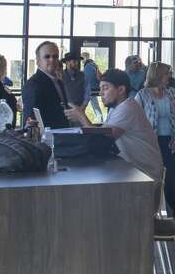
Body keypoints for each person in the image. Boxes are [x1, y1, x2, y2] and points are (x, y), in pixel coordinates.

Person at [65, 68, 163, 213]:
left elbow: (101, 140)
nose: (100, 93)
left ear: (121, 89)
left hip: (144, 180)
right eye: (100, 88)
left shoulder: (128, 108)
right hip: (134, 176)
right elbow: (100, 136)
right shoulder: (116, 109)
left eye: (105, 88)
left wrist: (81, 116)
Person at [135, 61, 175, 218]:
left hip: (171, 143)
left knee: (173, 182)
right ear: (157, 75)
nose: (169, 76)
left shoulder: (172, 93)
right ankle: (150, 216)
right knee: (152, 181)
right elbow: (136, 120)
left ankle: (173, 216)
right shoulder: (142, 95)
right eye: (166, 73)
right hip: (151, 145)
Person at [22, 41, 71, 128]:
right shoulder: (33, 84)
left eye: (55, 56)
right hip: (45, 139)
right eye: (47, 57)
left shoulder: (58, 82)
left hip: (62, 136)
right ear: (38, 61)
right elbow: (31, 120)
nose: (52, 59)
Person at [83, 56, 104, 123]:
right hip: (95, 88)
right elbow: (99, 77)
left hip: (88, 89)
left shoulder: (86, 68)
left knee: (85, 105)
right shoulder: (94, 66)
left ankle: (82, 118)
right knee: (95, 105)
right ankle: (100, 119)